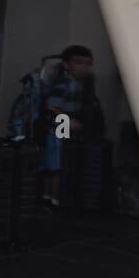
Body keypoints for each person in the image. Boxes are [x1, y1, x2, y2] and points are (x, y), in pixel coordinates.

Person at [40, 44, 101, 207]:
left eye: (88, 64)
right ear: (66, 65)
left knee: (61, 160)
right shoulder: (64, 83)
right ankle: (53, 198)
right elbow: (51, 106)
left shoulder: (82, 83)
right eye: (78, 62)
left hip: (66, 122)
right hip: (59, 125)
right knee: (58, 163)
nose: (84, 67)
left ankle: (50, 196)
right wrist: (68, 121)